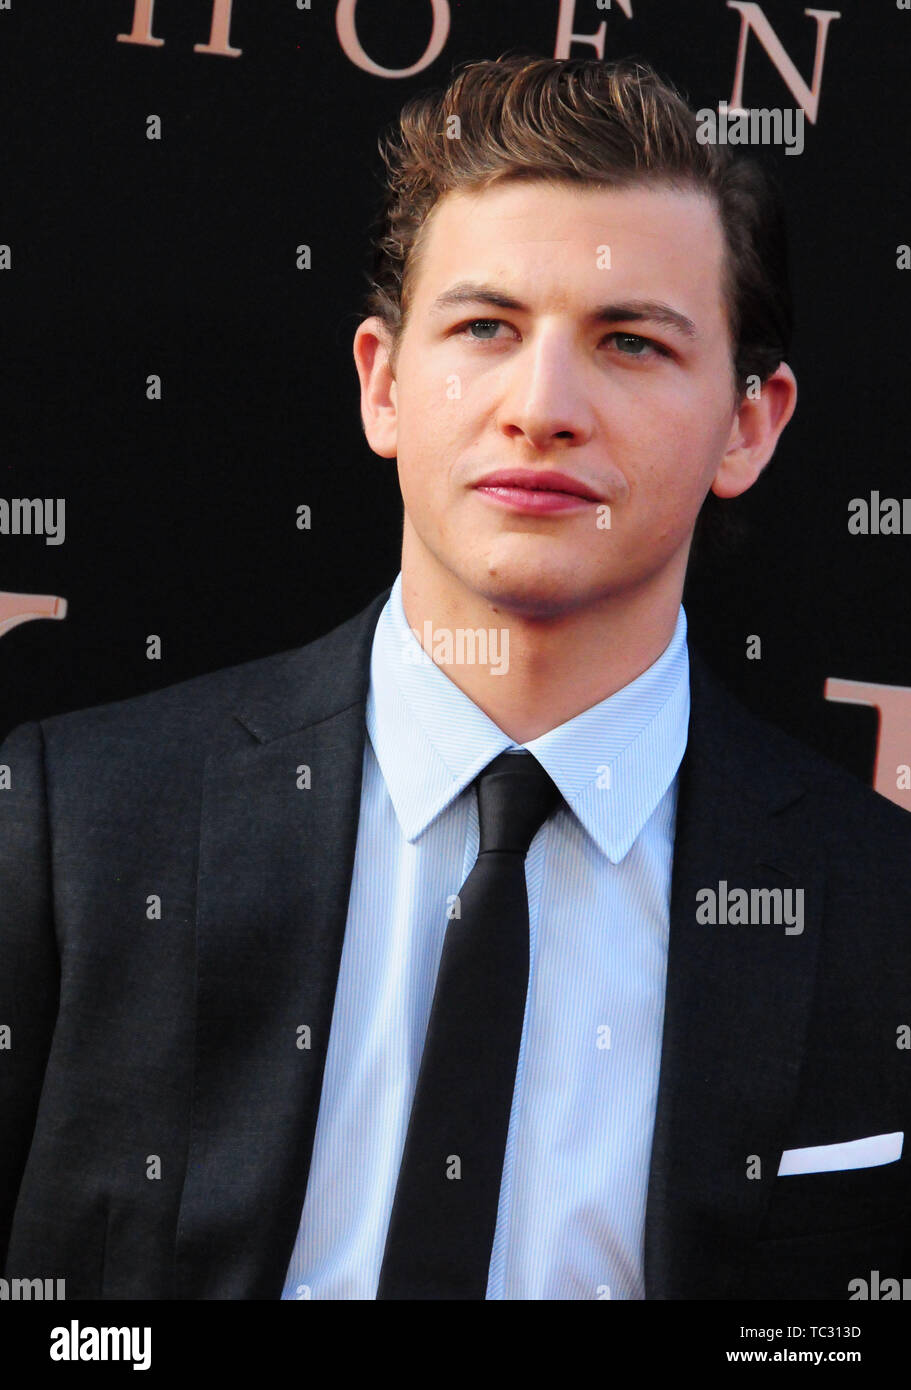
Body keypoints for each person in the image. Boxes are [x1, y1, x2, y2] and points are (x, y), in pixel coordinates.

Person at [1, 53, 909, 1302]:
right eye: (485, 327)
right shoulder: (75, 829)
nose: (540, 407)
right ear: (382, 381)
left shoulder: (879, 910)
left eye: (630, 342)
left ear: (747, 424)